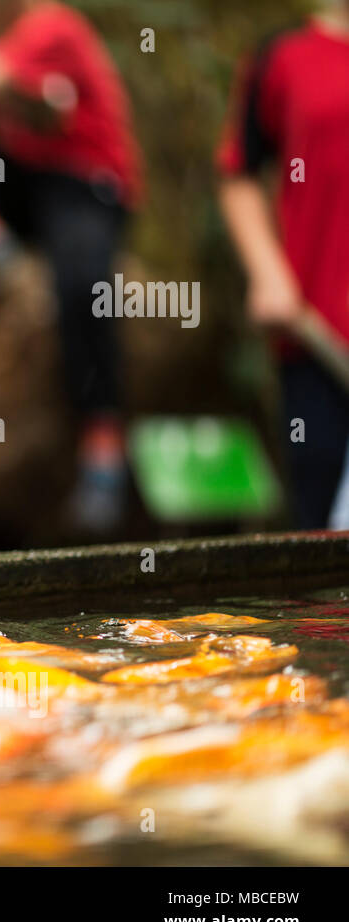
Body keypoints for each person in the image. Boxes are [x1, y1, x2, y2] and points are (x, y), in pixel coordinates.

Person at [0, 0, 142, 536]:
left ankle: (103, 445)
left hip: (87, 183)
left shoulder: (51, 25)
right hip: (35, 185)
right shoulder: (9, 41)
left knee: (82, 287)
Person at [217, 2, 349, 530]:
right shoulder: (284, 58)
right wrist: (267, 270)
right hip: (318, 343)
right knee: (322, 554)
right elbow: (239, 171)